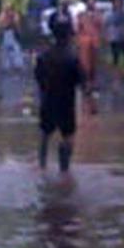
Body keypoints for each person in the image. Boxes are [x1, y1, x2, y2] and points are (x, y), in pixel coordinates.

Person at [35, 21, 85, 174]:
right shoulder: (72, 57)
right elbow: (81, 81)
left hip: (47, 100)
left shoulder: (43, 56)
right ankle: (64, 171)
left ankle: (41, 166)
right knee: (67, 137)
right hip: (66, 102)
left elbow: (38, 77)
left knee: (45, 135)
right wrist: (90, 99)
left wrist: (44, 88)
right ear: (68, 36)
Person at [76, 0, 104, 113]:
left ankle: (92, 83)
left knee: (93, 64)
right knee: (85, 64)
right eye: (89, 3)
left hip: (94, 42)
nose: (91, 5)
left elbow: (101, 26)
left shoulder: (98, 15)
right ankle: (86, 84)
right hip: (84, 42)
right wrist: (78, 41)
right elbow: (78, 28)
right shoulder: (81, 15)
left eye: (93, 3)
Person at [0, 4, 24, 71]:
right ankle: (8, 65)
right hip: (6, 33)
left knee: (15, 48)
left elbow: (17, 23)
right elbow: (2, 24)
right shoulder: (4, 15)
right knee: (7, 49)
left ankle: (17, 64)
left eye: (9, 8)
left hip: (12, 32)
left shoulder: (14, 15)